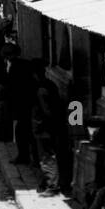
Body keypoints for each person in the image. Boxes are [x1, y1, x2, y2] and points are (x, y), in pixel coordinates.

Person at [31, 60, 70, 196]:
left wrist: (41, 123)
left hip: (45, 128)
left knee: (47, 156)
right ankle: (49, 182)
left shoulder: (42, 89)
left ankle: (52, 185)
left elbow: (47, 111)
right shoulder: (50, 84)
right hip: (51, 126)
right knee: (50, 155)